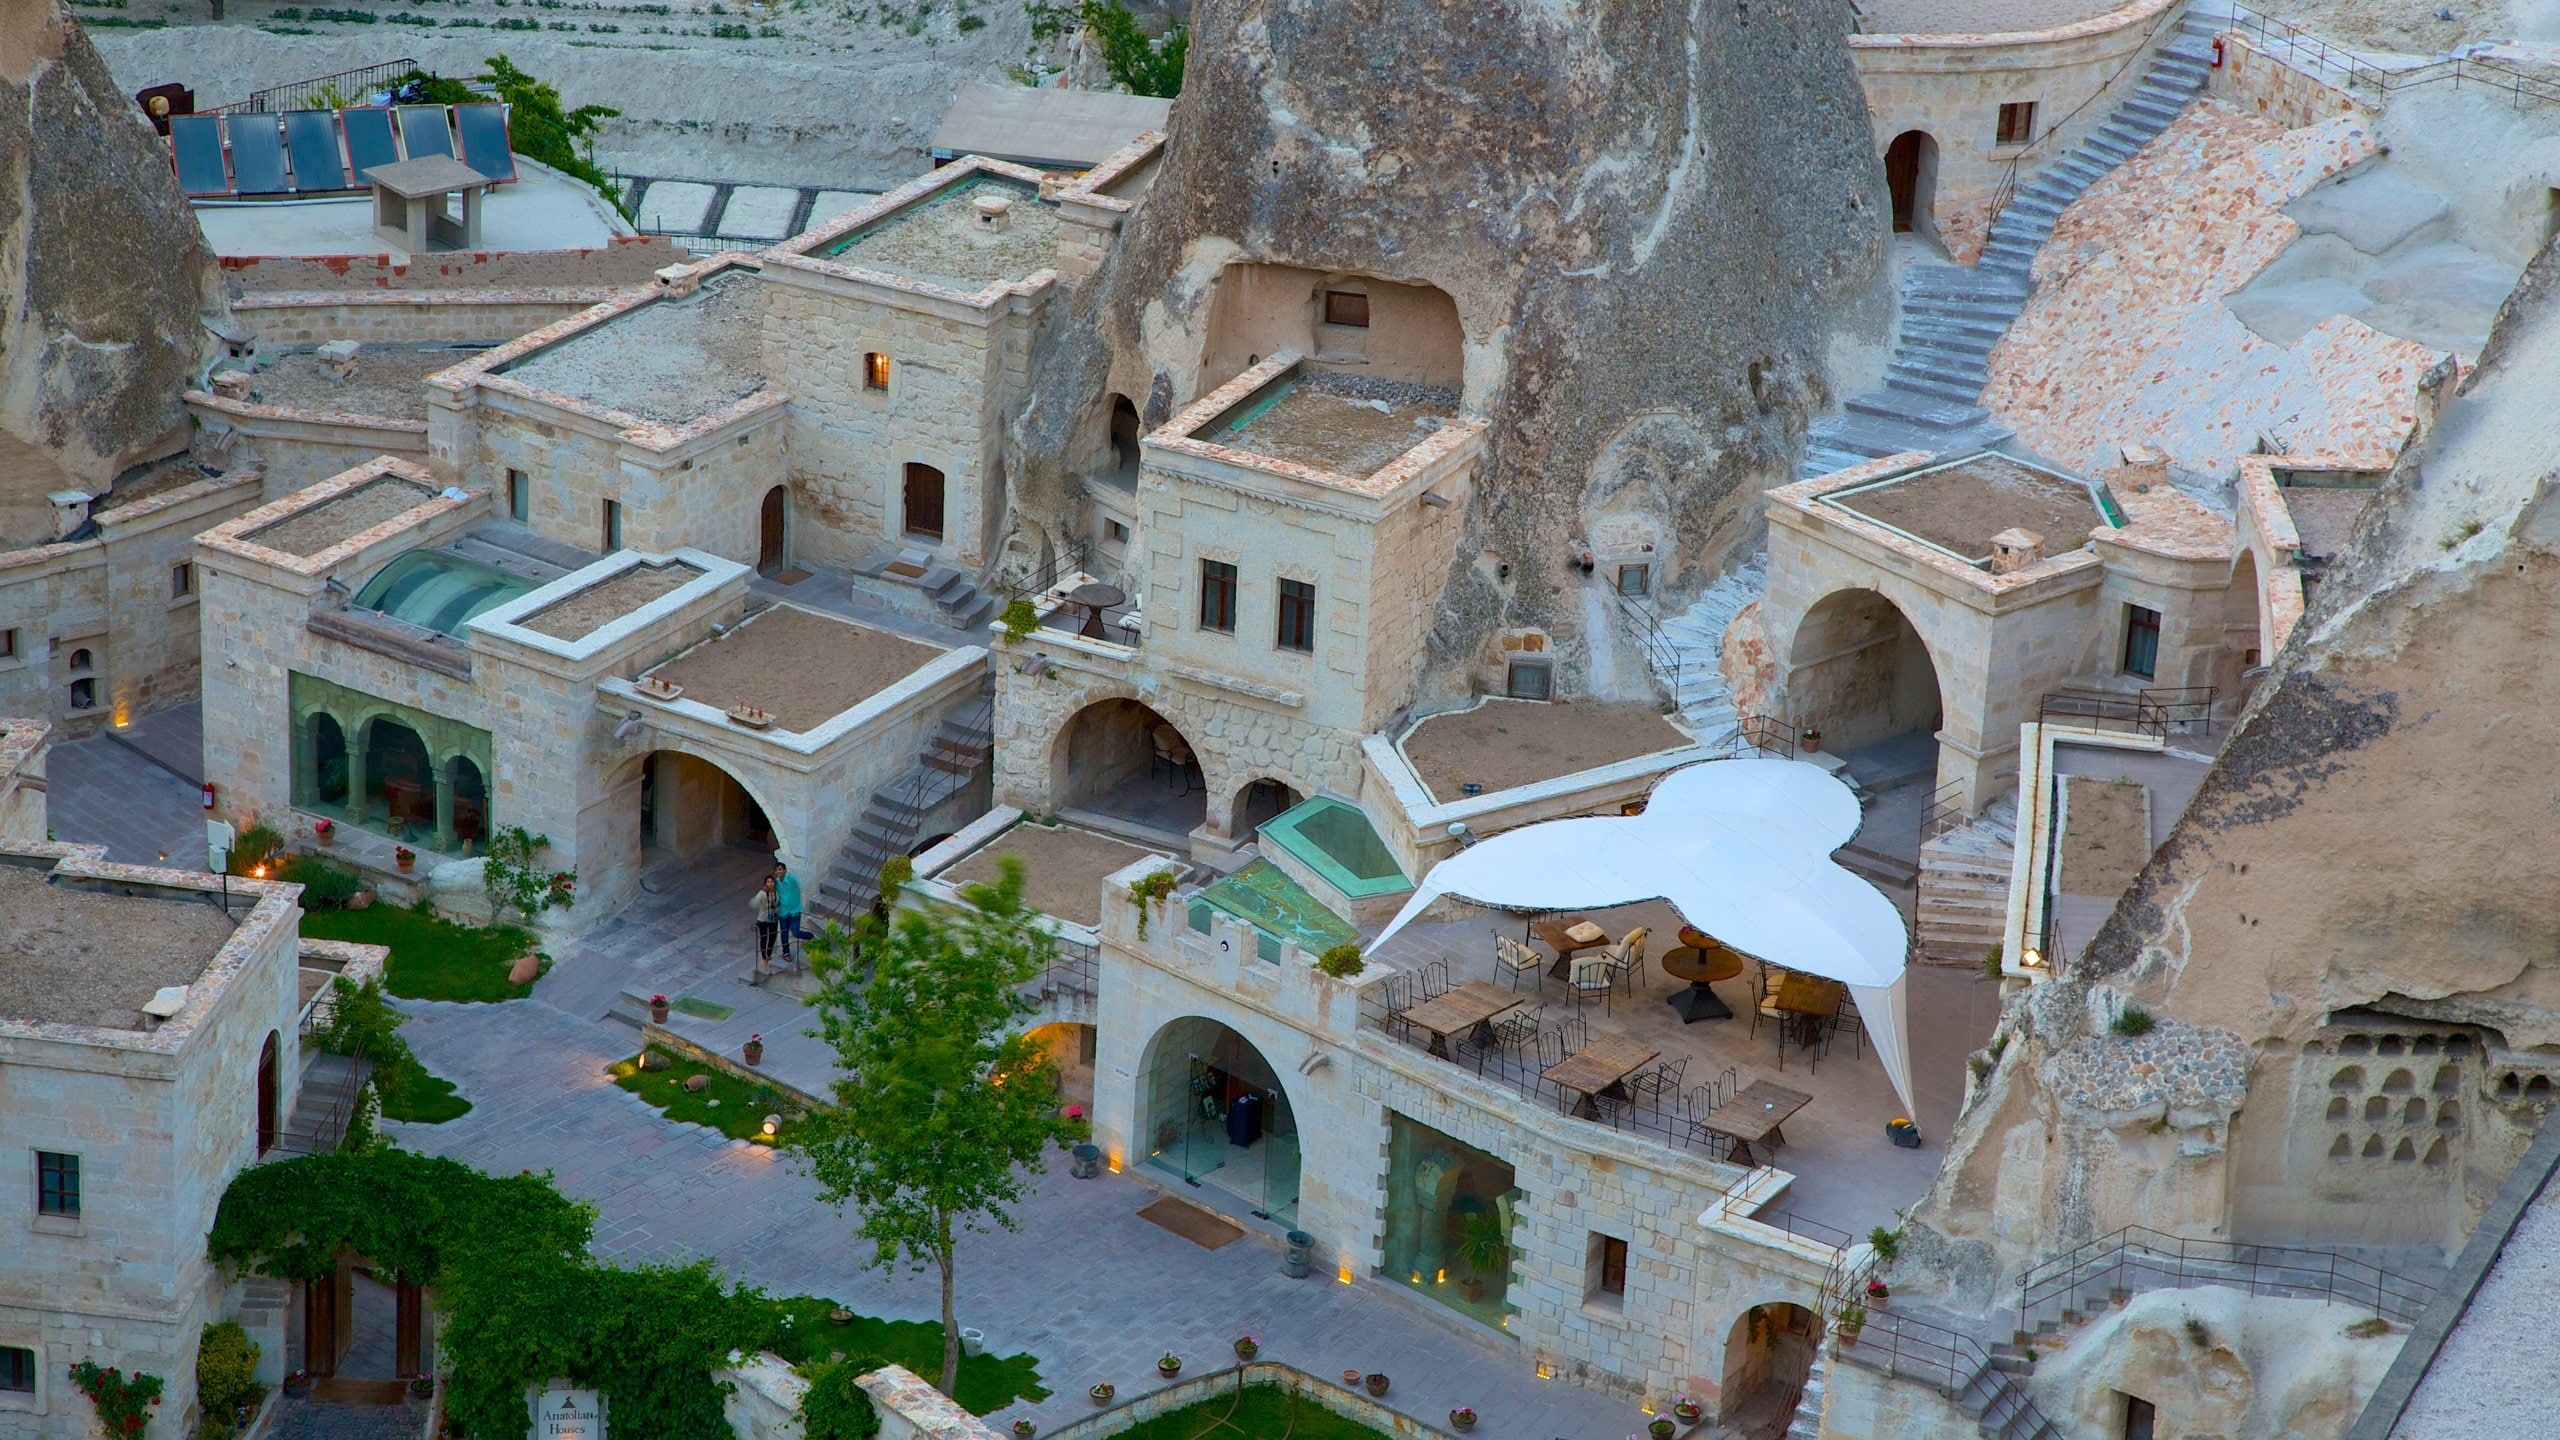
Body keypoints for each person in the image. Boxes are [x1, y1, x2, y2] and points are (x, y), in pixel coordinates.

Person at [774, 862, 804, 967]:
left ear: (785, 870)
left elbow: (798, 891)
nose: (778, 871)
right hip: (783, 911)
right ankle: (785, 953)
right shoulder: (776, 883)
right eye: (776, 870)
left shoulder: (792, 880)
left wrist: (795, 904)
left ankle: (810, 936)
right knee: (784, 933)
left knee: (795, 932)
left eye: (780, 869)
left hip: (794, 910)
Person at [751, 876, 778, 982]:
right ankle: (764, 959)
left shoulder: (776, 893)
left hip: (773, 919)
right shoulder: (762, 893)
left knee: (772, 937)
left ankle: (768, 955)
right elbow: (754, 903)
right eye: (768, 882)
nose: (770, 883)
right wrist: (762, 903)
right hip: (762, 919)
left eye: (772, 881)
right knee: (764, 938)